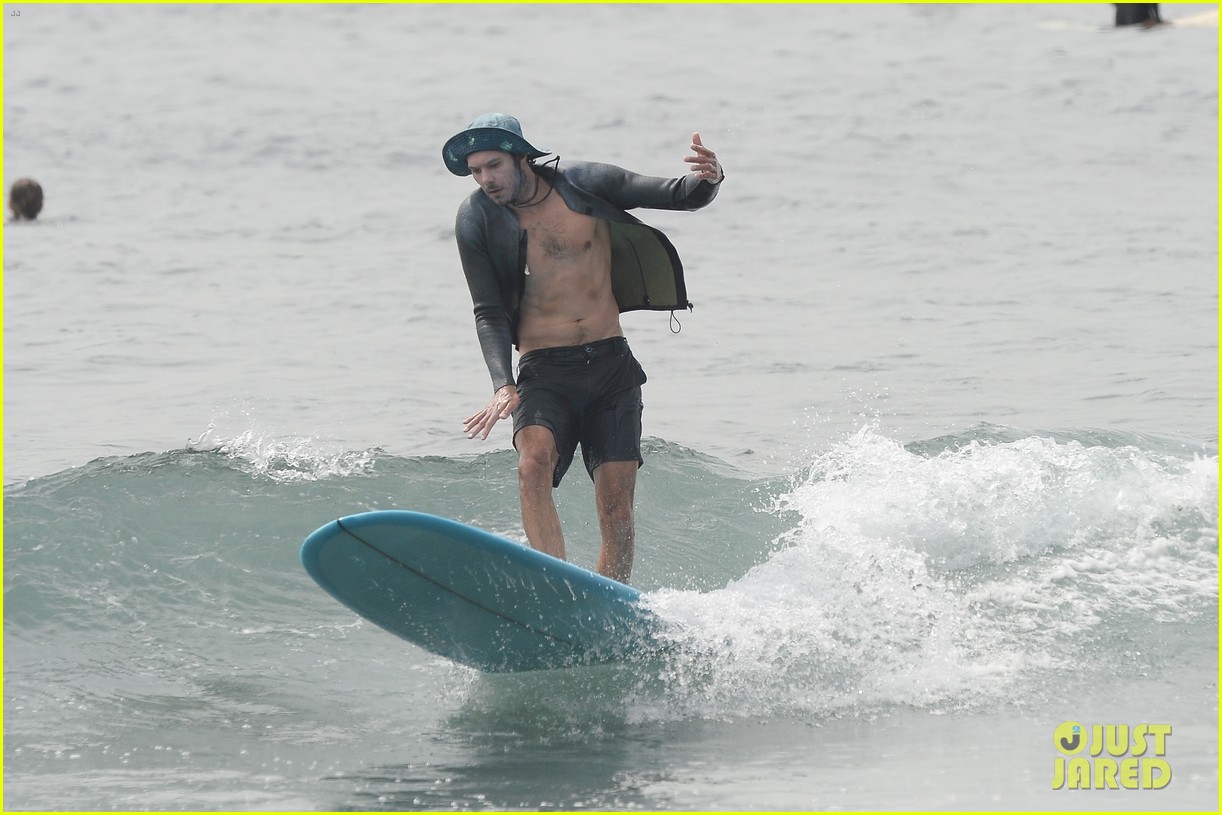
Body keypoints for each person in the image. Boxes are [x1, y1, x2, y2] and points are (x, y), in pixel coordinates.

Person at [443, 113, 722, 583]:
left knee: (617, 510)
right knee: (532, 466)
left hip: (611, 365)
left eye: (493, 165)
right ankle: (556, 584)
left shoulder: (584, 182)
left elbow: (679, 195)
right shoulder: (477, 217)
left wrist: (709, 179)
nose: (485, 179)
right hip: (544, 369)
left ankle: (608, 601)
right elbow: (487, 311)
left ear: (520, 157)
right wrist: (502, 384)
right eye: (475, 171)